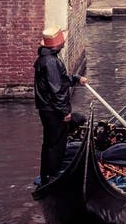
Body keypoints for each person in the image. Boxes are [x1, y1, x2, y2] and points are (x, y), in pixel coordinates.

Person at [34, 27, 87, 184]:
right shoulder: (51, 62)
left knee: (49, 142)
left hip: (46, 108)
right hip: (53, 110)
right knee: (57, 144)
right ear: (57, 45)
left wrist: (76, 79)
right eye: (62, 40)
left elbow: (60, 80)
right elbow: (57, 90)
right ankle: (52, 177)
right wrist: (65, 112)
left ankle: (46, 176)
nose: (64, 41)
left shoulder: (45, 58)